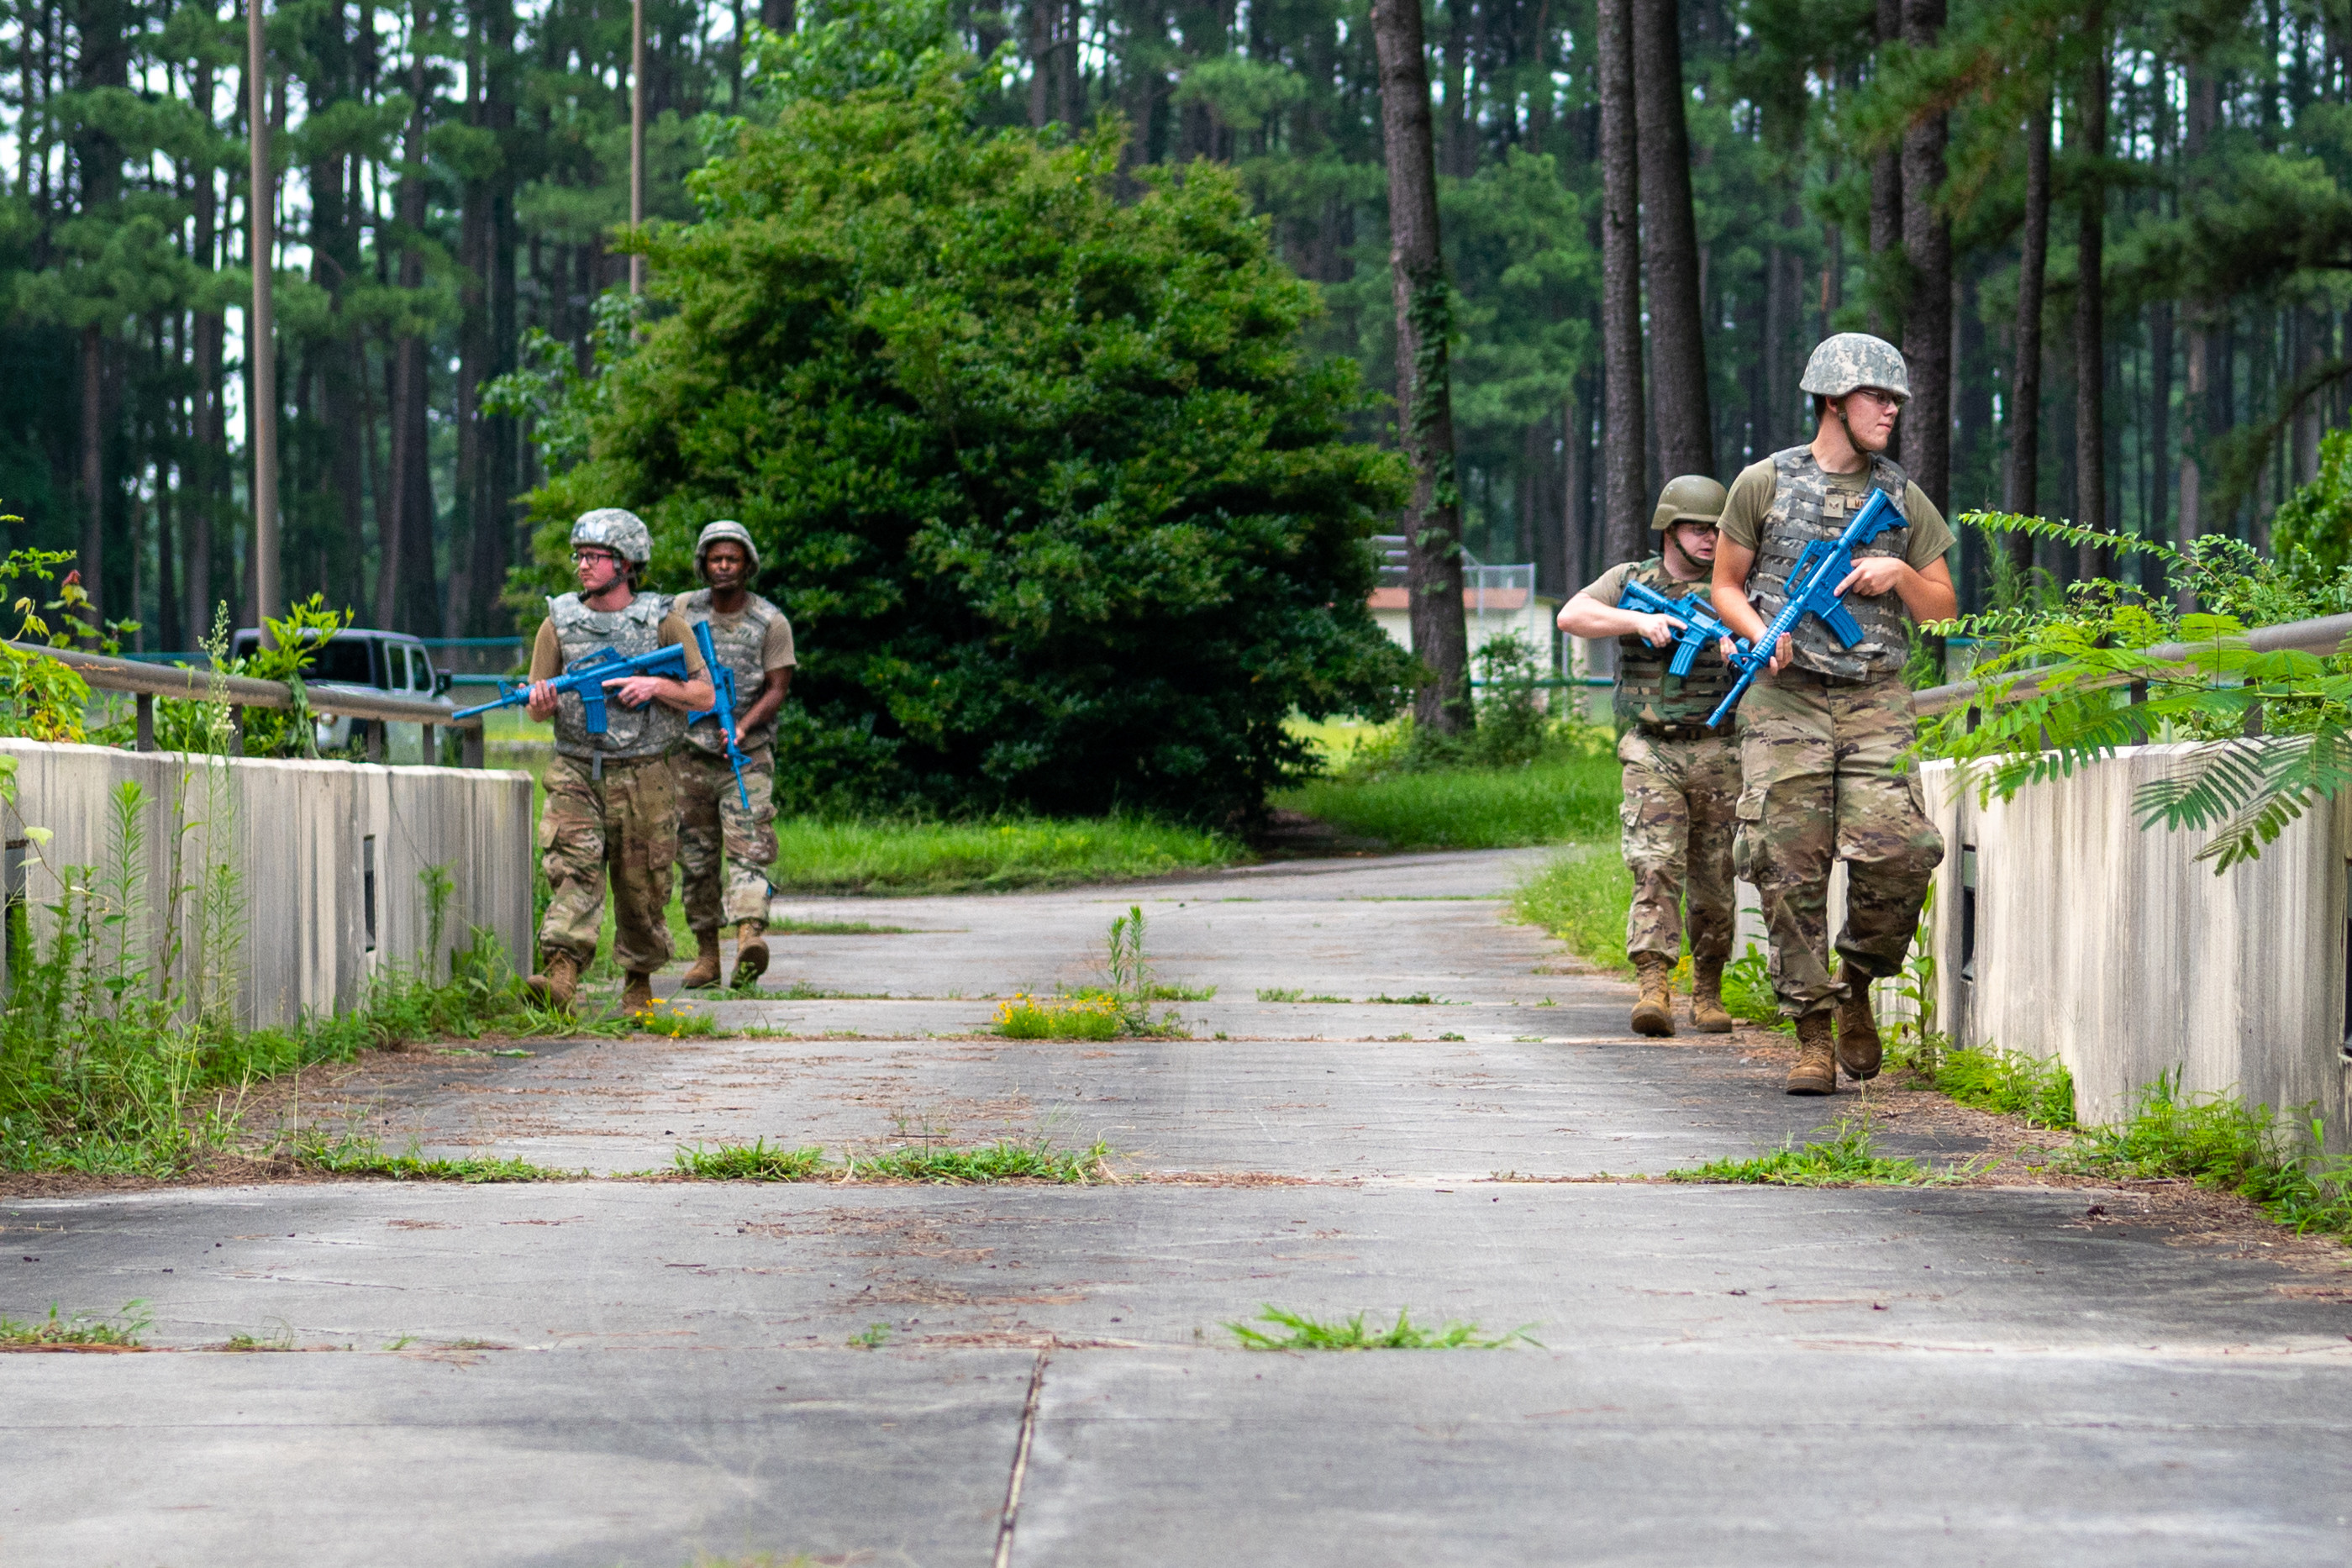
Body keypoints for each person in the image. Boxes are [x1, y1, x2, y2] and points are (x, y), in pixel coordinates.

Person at [1707, 333, 1955, 1095]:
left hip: (1875, 697)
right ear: (1832, 402)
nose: (1890, 410)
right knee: (1785, 865)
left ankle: (1856, 981)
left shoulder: (1901, 497)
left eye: (1894, 400)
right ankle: (1812, 1033)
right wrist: (1757, 637)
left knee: (1904, 850)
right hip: (1785, 698)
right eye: (1876, 398)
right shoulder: (1763, 483)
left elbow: (1942, 607)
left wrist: (1898, 571)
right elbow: (1723, 585)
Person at [1559, 476, 1741, 1038]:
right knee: (1653, 865)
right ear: (1669, 528)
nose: (1710, 539)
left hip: (1717, 749)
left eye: (1717, 528)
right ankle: (1652, 987)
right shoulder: (1628, 580)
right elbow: (1571, 615)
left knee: (1715, 878)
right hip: (1650, 748)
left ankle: (1707, 989)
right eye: (1697, 528)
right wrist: (1638, 620)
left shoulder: (1734, 585)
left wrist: (1741, 643)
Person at [522, 508, 713, 1017]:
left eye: (594, 556)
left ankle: (638, 982)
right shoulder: (557, 623)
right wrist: (539, 704)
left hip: (645, 772)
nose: (583, 565)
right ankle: (561, 975)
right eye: (579, 555)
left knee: (642, 885)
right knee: (571, 870)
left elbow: (705, 695)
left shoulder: (664, 622)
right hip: (577, 768)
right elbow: (539, 704)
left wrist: (657, 686)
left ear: (625, 564)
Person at [671, 520, 797, 991]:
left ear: (747, 565)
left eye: (733, 559)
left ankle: (749, 938)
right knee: (696, 860)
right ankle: (707, 956)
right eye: (715, 558)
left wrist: (743, 727)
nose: (723, 567)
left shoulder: (770, 621)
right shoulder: (682, 610)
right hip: (689, 754)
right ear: (703, 563)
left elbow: (778, 686)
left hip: (747, 756)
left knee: (751, 850)